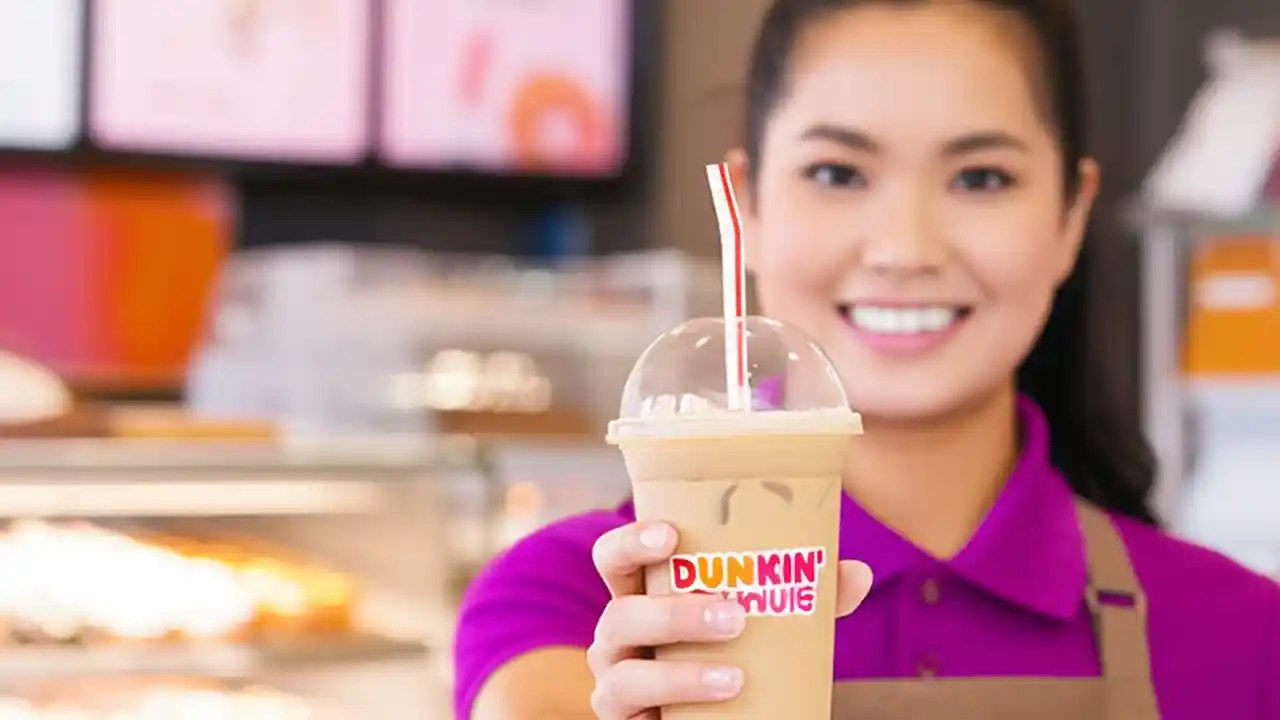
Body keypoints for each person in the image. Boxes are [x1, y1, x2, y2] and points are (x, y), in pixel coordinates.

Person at [453, 1, 1280, 718]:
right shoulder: (574, 603)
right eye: (837, 172)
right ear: (749, 205)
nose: (904, 248)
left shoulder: (1247, 636)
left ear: (1070, 216)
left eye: (981, 178)